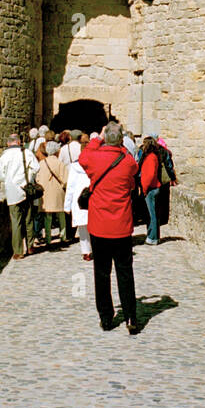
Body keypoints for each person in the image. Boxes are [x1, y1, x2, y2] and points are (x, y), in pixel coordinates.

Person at [79, 122, 140, 333]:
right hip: (121, 226)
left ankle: (106, 317)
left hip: (99, 226)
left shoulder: (94, 158)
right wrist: (119, 143)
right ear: (121, 140)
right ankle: (131, 317)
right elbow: (132, 166)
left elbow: (83, 157)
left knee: (102, 273)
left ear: (105, 138)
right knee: (125, 273)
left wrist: (99, 138)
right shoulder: (128, 162)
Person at [0, 132, 39, 260]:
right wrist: (29, 178)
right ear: (19, 142)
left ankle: (18, 251)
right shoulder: (26, 153)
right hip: (26, 190)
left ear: (8, 143)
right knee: (28, 219)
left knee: (16, 222)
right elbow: (36, 168)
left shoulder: (4, 157)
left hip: (12, 193)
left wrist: (11, 180)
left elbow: (1, 177)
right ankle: (30, 246)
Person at [64, 133, 92, 260]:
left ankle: (86, 251)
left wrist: (67, 205)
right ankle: (94, 248)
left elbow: (70, 186)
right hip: (92, 196)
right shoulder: (95, 164)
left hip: (79, 198)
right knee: (93, 225)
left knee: (82, 227)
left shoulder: (75, 166)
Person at [37, 140, 68, 246]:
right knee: (61, 215)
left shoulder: (41, 163)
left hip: (45, 192)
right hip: (58, 192)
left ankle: (48, 238)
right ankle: (63, 236)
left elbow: (38, 179)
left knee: (47, 216)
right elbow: (65, 180)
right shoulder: (60, 163)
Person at [138, 136, 162, 245]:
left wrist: (144, 188)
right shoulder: (154, 156)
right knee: (154, 214)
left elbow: (150, 175)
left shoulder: (151, 157)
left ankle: (152, 237)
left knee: (152, 215)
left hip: (151, 188)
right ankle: (154, 236)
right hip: (153, 187)